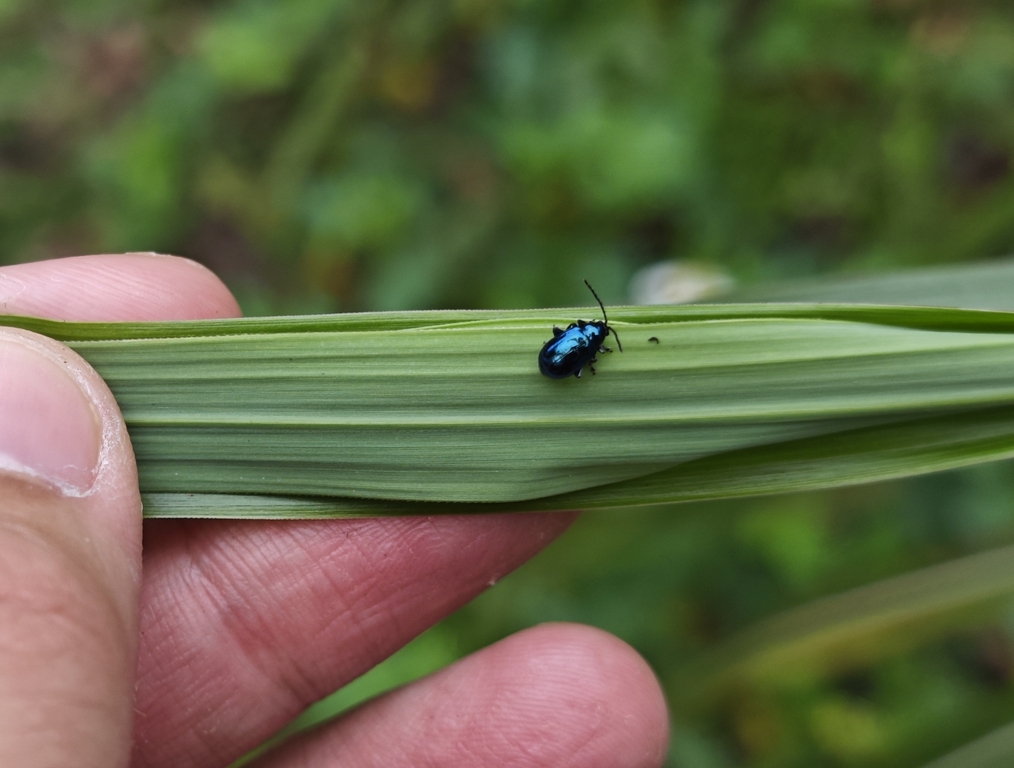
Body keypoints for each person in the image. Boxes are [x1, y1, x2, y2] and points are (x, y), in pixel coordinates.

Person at [0, 253, 670, 767]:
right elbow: (569, 359)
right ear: (587, 332)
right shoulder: (583, 345)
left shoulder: (579, 340)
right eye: (591, 330)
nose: (590, 334)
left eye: (589, 334)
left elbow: (566, 355)